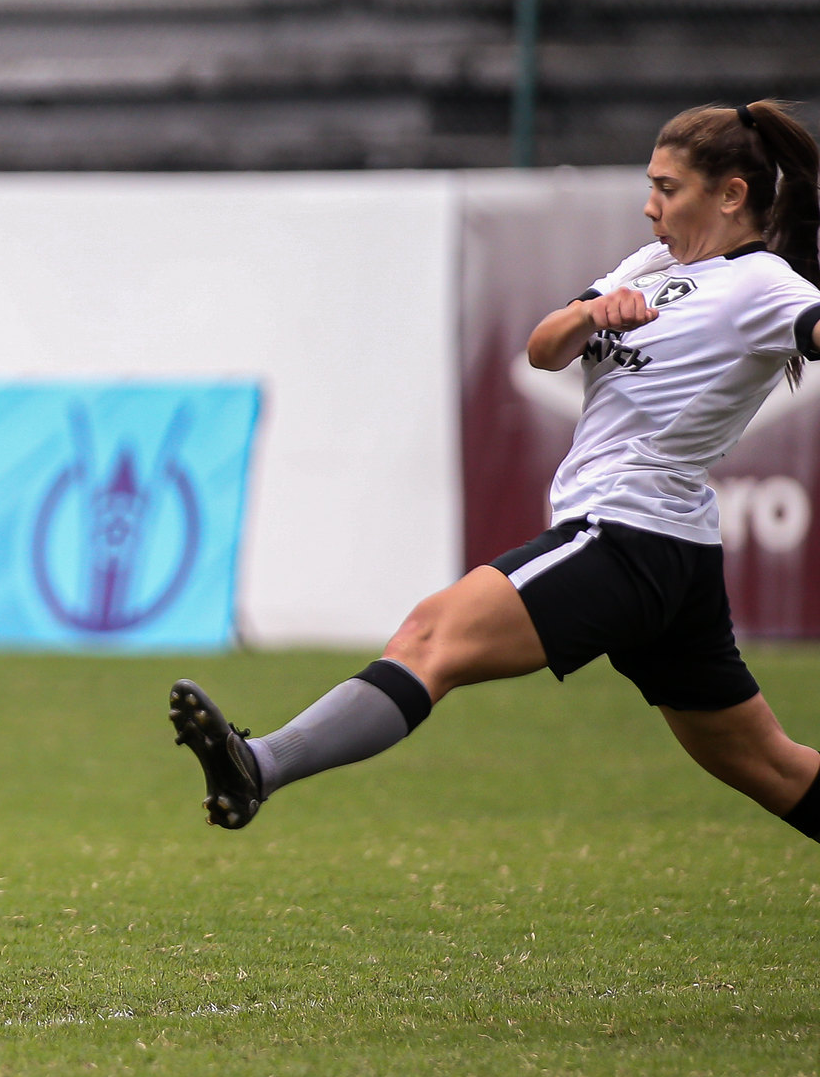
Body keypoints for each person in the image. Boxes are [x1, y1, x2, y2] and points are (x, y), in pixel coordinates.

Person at [172, 99, 820, 848]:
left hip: (629, 534)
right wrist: (590, 315)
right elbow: (543, 348)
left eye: (668, 189)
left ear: (731, 195)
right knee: (772, 768)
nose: (650, 206)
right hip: (672, 552)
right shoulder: (653, 267)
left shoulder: (766, 284)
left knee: (428, 637)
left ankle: (259, 765)